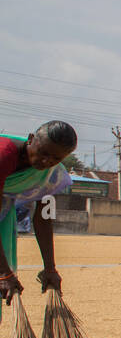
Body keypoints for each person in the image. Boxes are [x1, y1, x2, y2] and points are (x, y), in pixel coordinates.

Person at [0, 122, 77, 316]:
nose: (46, 161)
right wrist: (4, 273)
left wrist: (50, 268)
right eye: (43, 152)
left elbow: (43, 219)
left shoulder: (51, 175)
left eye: (55, 158)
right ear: (31, 139)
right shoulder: (4, 154)